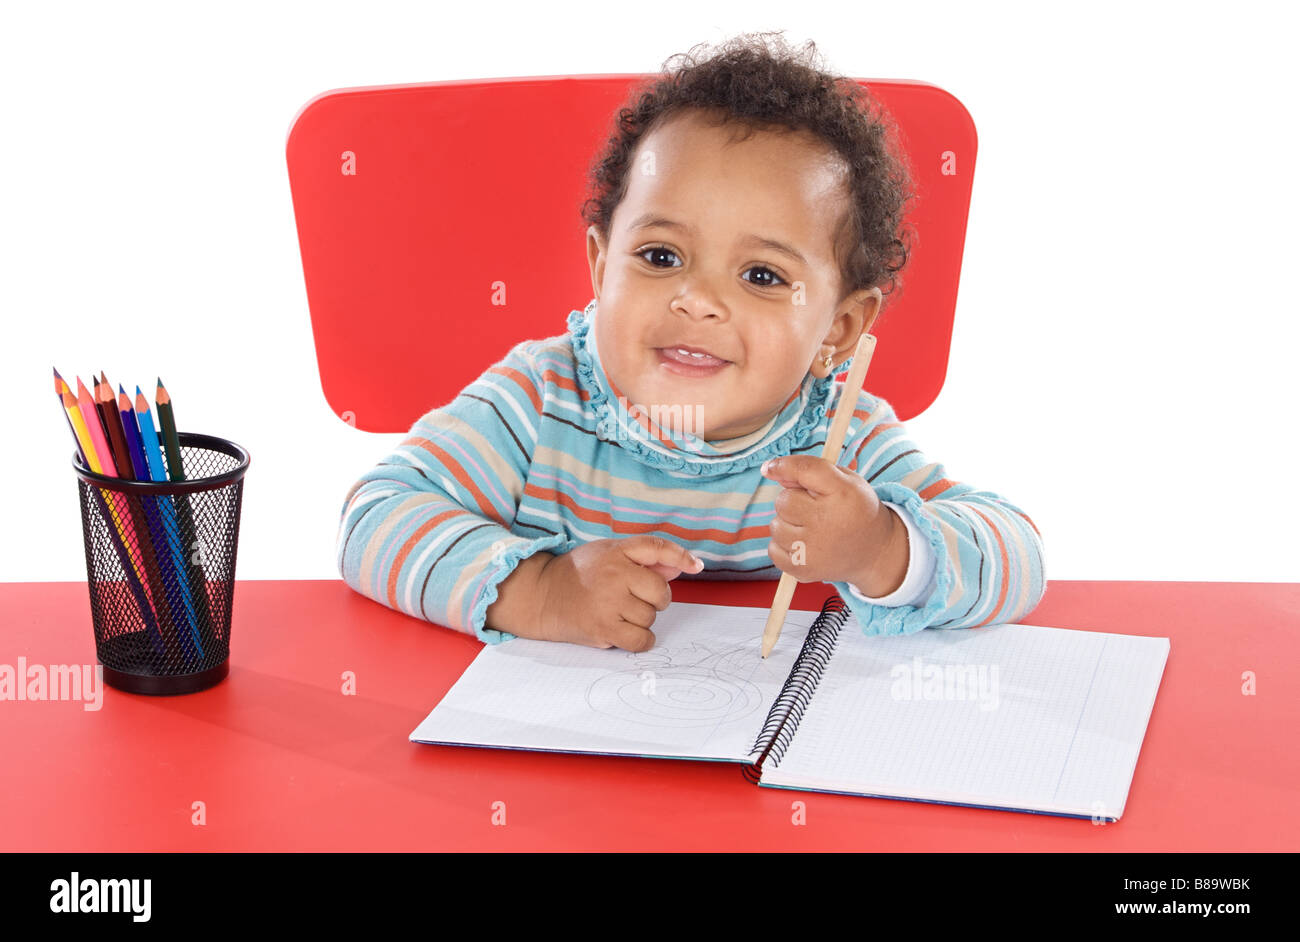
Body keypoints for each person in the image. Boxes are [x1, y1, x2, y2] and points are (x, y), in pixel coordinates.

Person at [337, 32, 1046, 651]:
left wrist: (881, 547)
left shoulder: (839, 440)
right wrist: (541, 592)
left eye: (762, 274)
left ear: (839, 330)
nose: (698, 300)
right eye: (661, 257)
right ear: (599, 266)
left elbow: (1018, 558)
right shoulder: (540, 403)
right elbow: (374, 520)